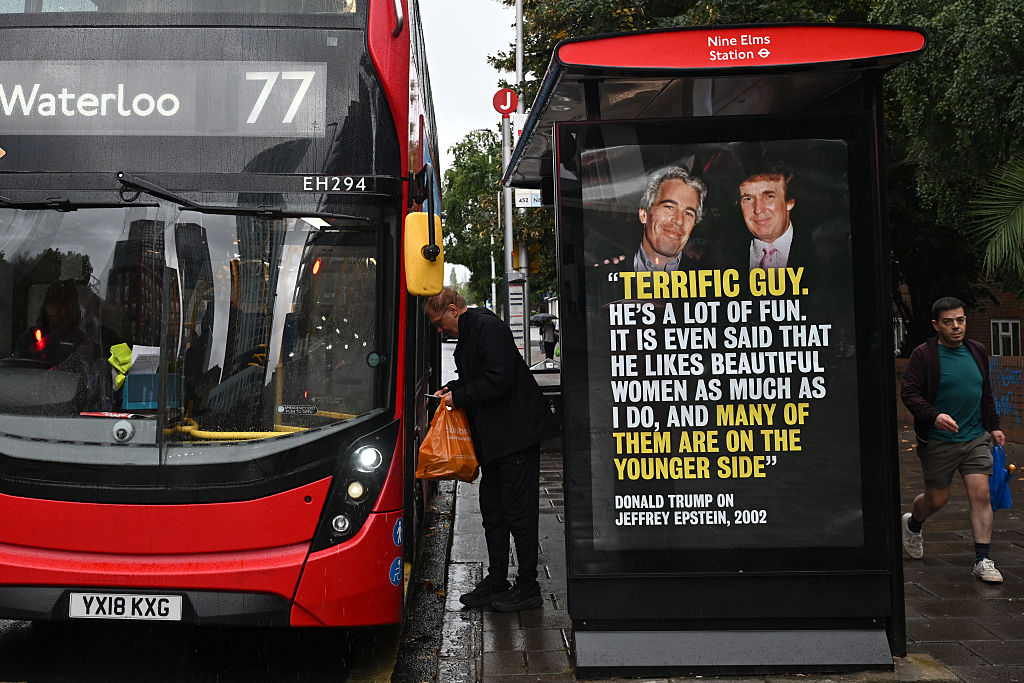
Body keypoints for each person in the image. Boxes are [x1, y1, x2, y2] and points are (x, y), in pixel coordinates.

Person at [425, 289, 559, 611]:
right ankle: (497, 579)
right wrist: (453, 388)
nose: (440, 331)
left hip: (516, 437)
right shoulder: (471, 333)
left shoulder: (487, 328)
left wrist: (460, 397)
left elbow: (500, 380)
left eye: (440, 323)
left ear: (453, 310)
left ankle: (528, 587)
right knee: (493, 511)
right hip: (497, 442)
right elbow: (478, 377)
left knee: (519, 513)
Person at [900, 296, 1005, 583]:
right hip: (939, 441)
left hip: (975, 438)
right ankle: (913, 522)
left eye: (960, 320)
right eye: (948, 322)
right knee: (937, 499)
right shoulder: (924, 355)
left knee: (981, 494)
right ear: (936, 325)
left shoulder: (977, 350)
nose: (956, 326)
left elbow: (985, 392)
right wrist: (934, 416)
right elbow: (909, 394)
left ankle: (983, 559)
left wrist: (993, 426)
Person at [609, 166, 707, 272]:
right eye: (669, 207)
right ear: (644, 215)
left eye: (688, 213)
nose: (679, 220)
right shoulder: (615, 267)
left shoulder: (704, 276)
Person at [736, 166, 809, 271]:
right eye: (748, 199)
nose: (758, 209)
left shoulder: (822, 253)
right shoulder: (720, 256)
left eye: (769, 196)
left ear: (789, 202)